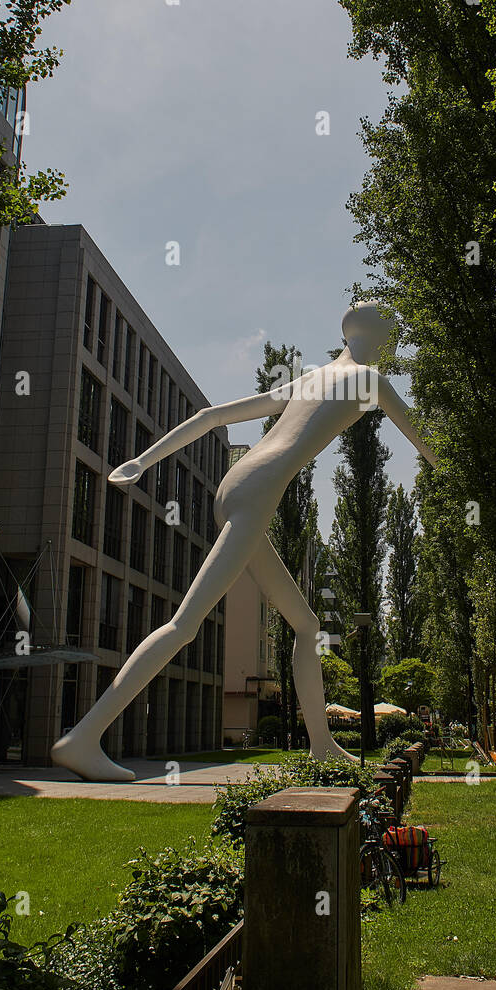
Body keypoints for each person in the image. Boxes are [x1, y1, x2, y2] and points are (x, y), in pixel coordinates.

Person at [51, 302, 438, 781]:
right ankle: (84, 737)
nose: (396, 344)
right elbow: (425, 440)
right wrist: (473, 481)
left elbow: (214, 416)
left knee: (306, 624)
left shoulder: (313, 378)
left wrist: (143, 462)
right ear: (379, 335)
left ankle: (321, 744)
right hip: (258, 493)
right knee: (183, 625)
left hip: (237, 482)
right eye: (395, 334)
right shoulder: (370, 380)